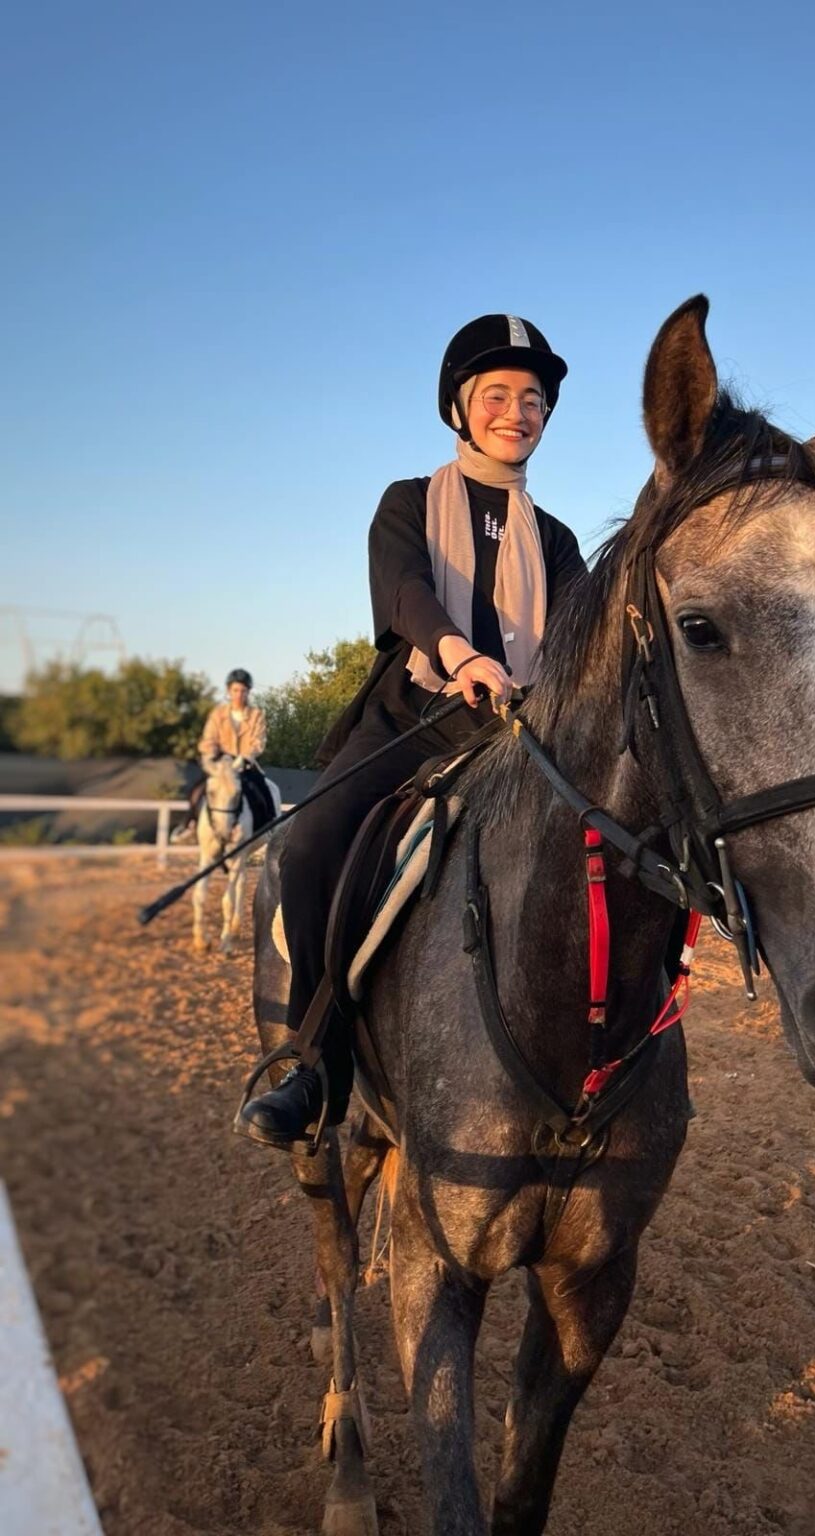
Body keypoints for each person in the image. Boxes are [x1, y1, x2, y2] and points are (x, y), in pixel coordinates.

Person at [236, 315, 586, 1149]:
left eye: (532, 399)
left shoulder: (559, 541)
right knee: (308, 848)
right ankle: (315, 1067)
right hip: (414, 718)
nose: (518, 412)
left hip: (518, 737)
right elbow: (404, 593)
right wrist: (461, 653)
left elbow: (582, 641)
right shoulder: (408, 503)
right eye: (497, 394)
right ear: (459, 406)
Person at [173, 669, 276, 840]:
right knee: (197, 790)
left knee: (263, 789)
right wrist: (210, 757)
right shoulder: (218, 714)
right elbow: (209, 739)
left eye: (243, 691)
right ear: (229, 691)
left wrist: (245, 757)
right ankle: (189, 824)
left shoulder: (256, 715)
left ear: (248, 692)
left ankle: (270, 825)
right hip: (221, 764)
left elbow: (258, 742)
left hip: (244, 764)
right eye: (235, 690)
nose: (239, 695)